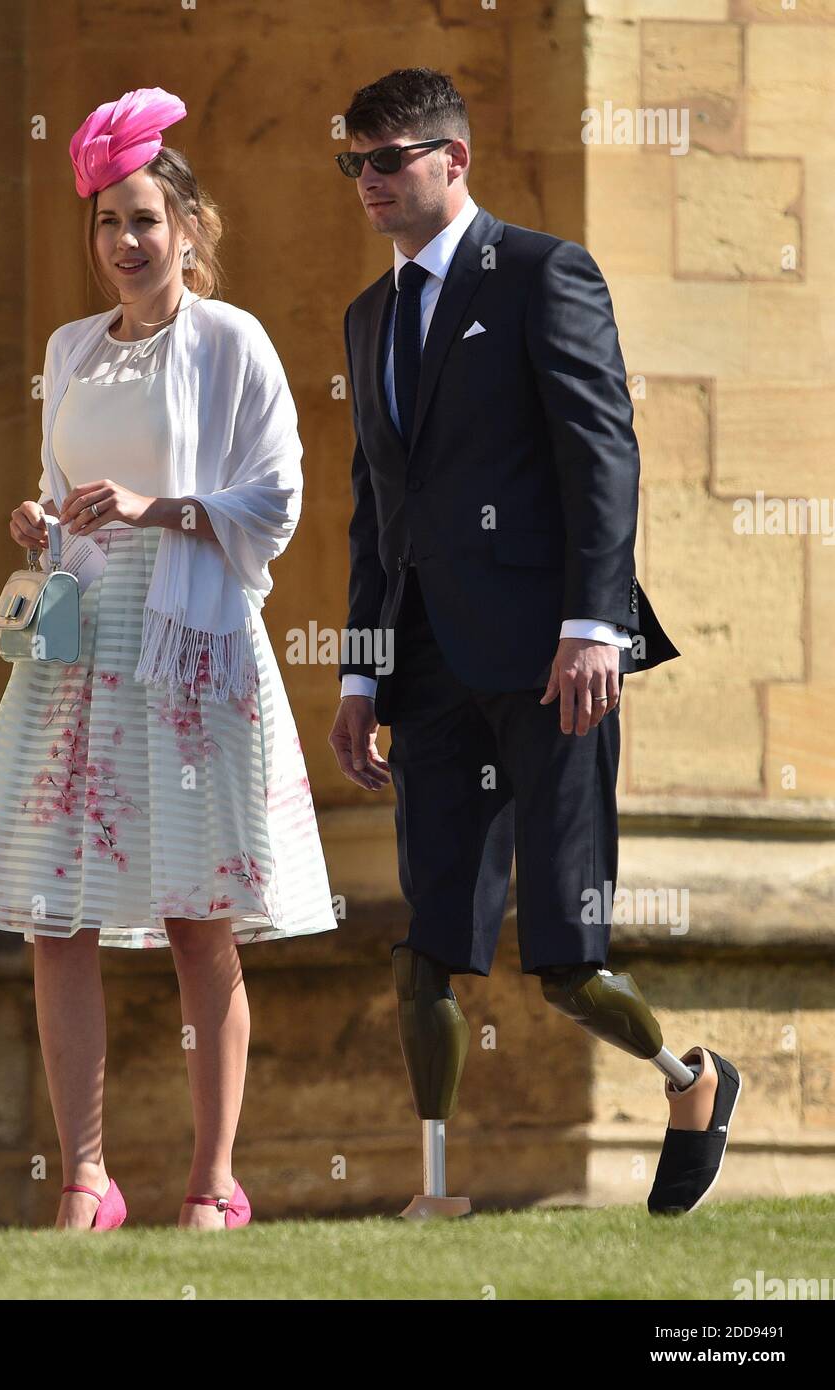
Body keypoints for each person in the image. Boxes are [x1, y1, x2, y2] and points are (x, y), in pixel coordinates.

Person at [328, 68, 741, 1216]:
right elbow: (377, 512)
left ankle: (693, 1082)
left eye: (389, 158)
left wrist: (595, 622)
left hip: (559, 661)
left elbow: (601, 454)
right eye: (353, 161)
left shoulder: (544, 272)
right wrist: (361, 668)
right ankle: (436, 1193)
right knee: (429, 945)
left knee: (567, 956)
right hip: (428, 666)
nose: (367, 179)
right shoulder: (368, 318)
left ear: (453, 159)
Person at [0, 87, 337, 1233]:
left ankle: (215, 1183)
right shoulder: (70, 350)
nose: (125, 241)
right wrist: (44, 522)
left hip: (188, 644)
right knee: (51, 913)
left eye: (144, 219)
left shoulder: (231, 342)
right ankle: (86, 1177)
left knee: (196, 912)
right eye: (107, 223)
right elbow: (73, 491)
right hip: (76, 644)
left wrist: (160, 508)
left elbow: (277, 499)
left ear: (187, 226)